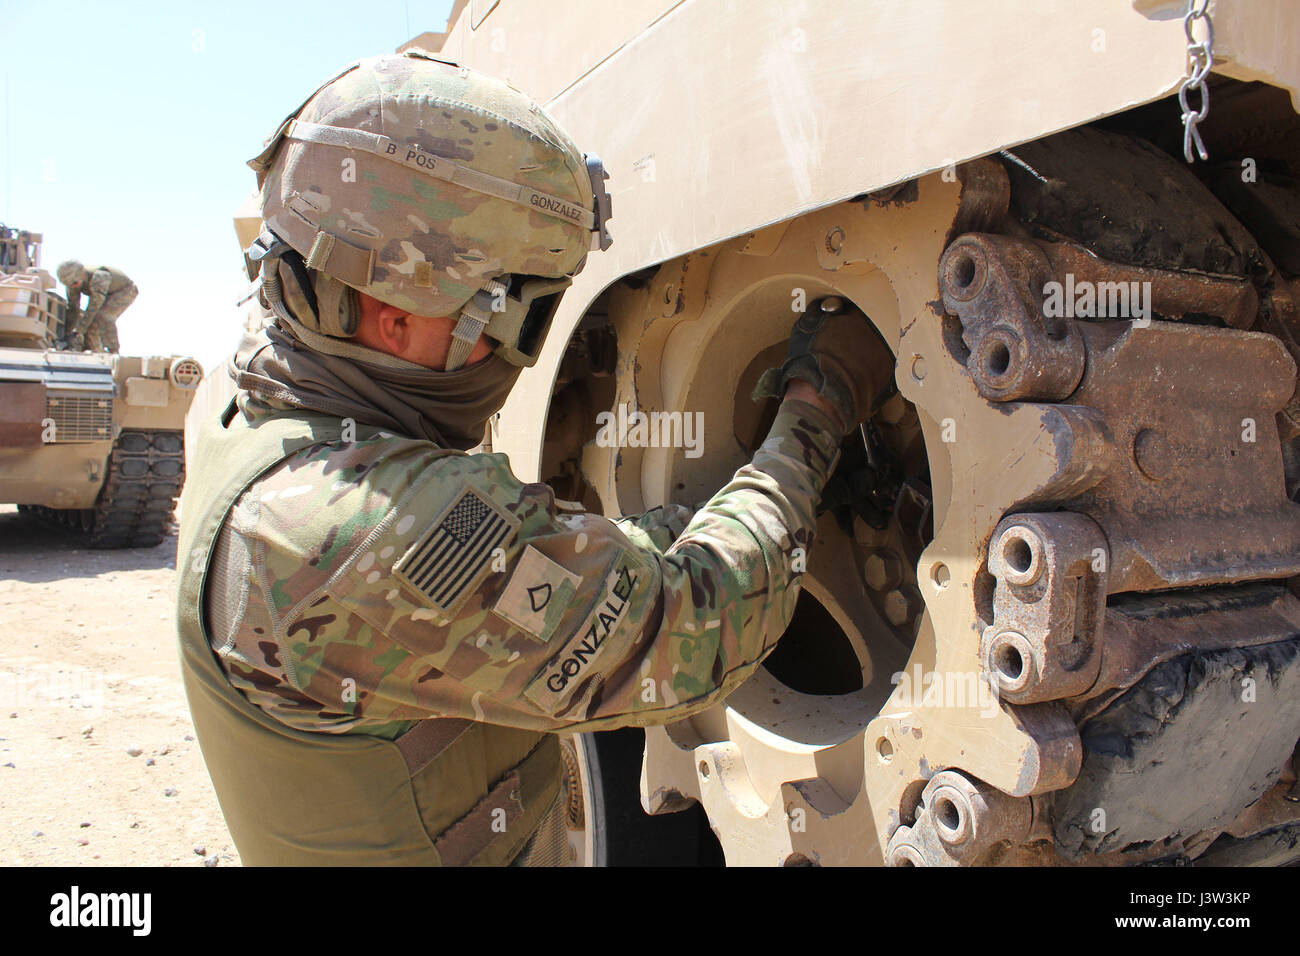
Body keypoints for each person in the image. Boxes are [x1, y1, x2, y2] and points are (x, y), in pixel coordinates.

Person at [177, 51, 891, 866]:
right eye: (514, 313)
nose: (509, 354)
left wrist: (693, 515)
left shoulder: (258, 424)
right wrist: (818, 410)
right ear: (392, 318)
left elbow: (544, 577)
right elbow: (697, 624)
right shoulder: (354, 531)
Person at [55, 259, 137, 352]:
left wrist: (80, 330)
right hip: (103, 294)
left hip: (125, 290)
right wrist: (68, 333)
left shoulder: (100, 277)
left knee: (103, 316)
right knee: (89, 324)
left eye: (75, 284)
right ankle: (96, 352)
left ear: (81, 275)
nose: (74, 287)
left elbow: (94, 307)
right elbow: (73, 309)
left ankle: (113, 351)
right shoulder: (72, 283)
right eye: (70, 286)